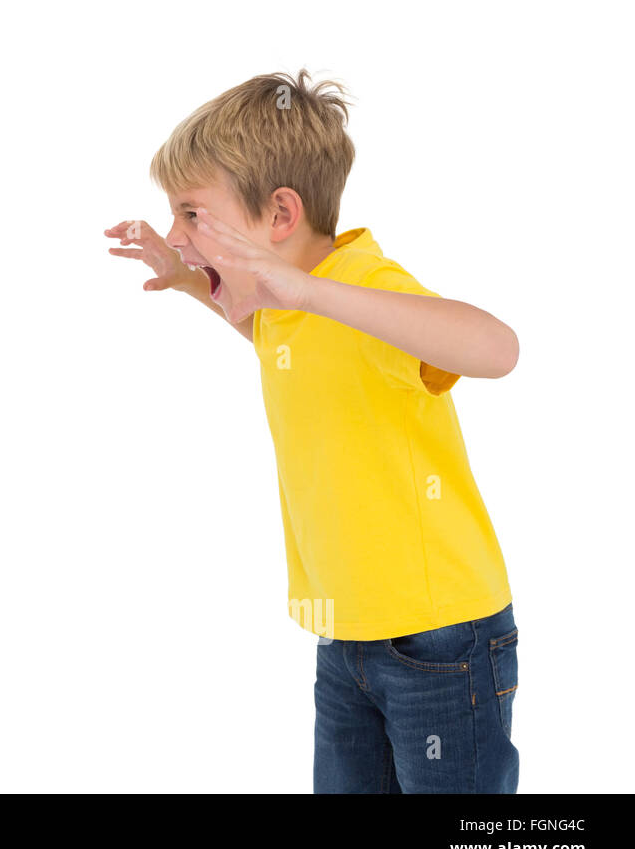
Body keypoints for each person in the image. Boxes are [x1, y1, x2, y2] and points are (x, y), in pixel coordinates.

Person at [105, 70, 520, 793]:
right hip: (347, 635)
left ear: (281, 214)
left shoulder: (362, 284)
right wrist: (185, 278)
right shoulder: (282, 306)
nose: (177, 231)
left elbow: (496, 349)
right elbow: (281, 345)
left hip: (440, 638)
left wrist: (313, 293)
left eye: (192, 214)